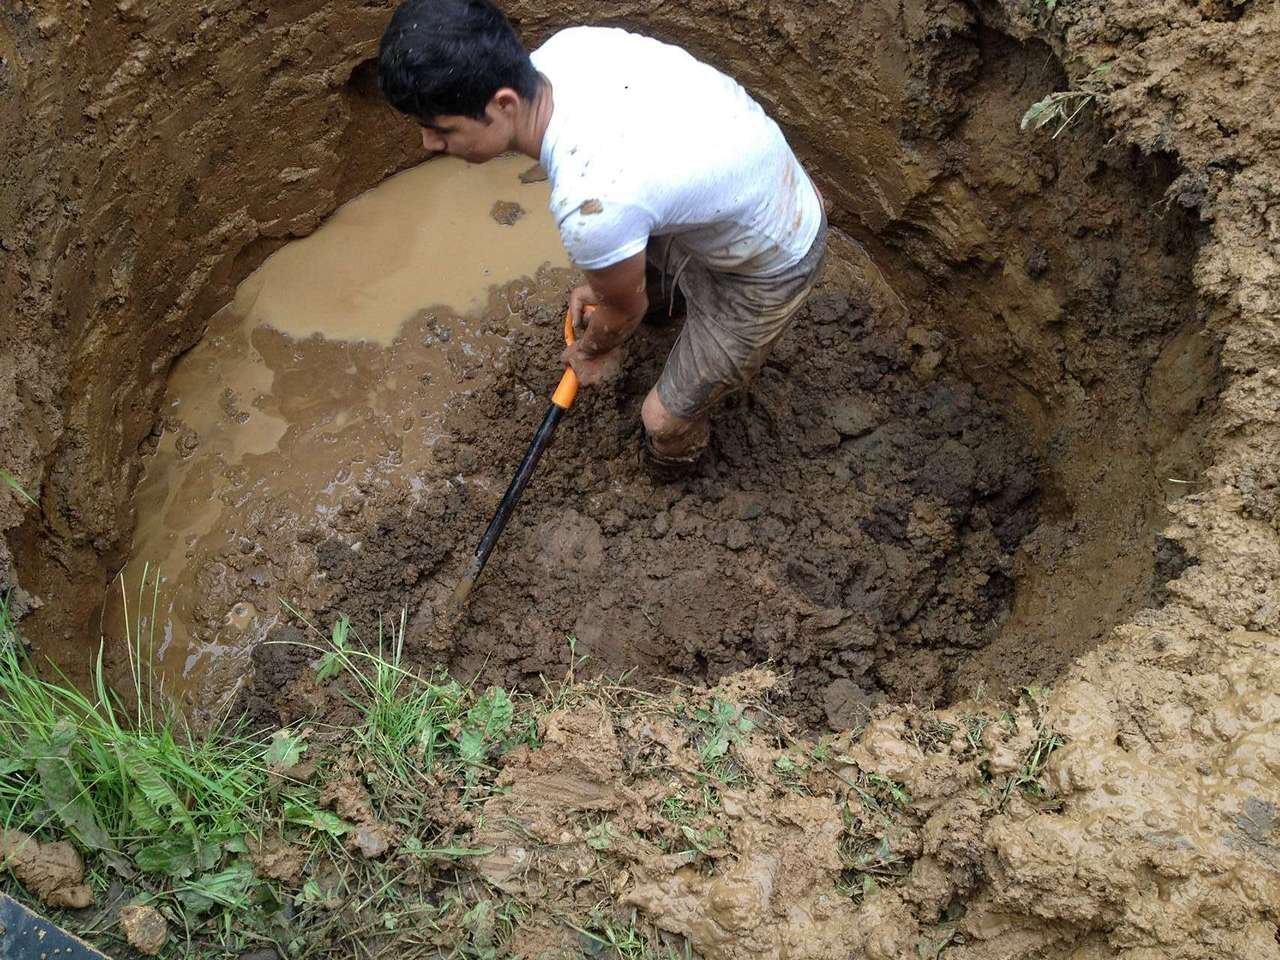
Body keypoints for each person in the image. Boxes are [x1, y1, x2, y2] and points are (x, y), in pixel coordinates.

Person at [378, 0, 826, 469]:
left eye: (441, 128)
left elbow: (623, 304)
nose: (429, 143)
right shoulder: (568, 50)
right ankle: (665, 304)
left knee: (661, 423)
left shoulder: (591, 200)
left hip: (774, 259)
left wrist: (595, 348)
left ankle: (677, 465)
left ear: (504, 104)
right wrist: (608, 287)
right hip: (745, 194)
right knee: (627, 284)